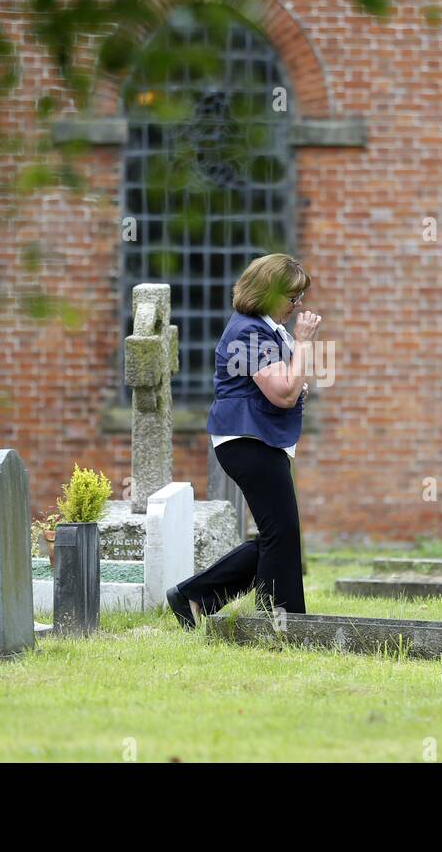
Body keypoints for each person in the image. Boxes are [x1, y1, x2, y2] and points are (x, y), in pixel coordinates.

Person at [166, 253, 322, 627]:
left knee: (278, 532)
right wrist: (302, 343)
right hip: (247, 439)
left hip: (261, 439)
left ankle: (196, 598)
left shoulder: (266, 329)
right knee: (280, 532)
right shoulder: (249, 332)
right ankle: (281, 620)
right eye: (291, 297)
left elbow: (291, 386)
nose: (296, 305)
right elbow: (283, 393)